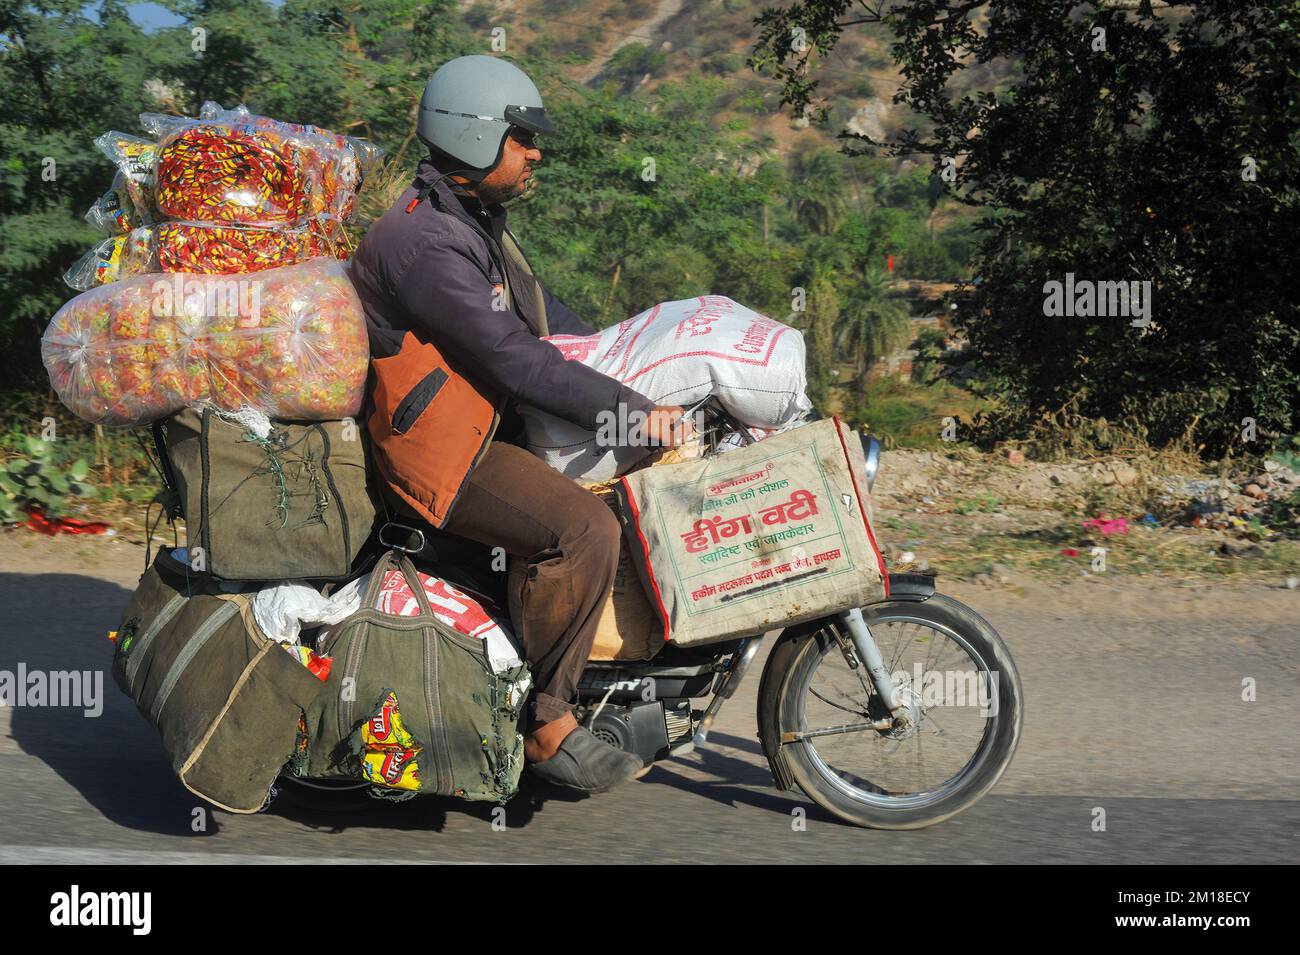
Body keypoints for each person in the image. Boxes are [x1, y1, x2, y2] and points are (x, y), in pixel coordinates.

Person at [348, 55, 687, 794]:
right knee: (583, 529)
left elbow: (545, 323)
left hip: (480, 425)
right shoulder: (427, 244)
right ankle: (549, 719)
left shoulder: (470, 219)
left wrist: (637, 365)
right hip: (442, 451)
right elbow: (513, 358)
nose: (536, 153)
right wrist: (631, 411)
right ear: (473, 136)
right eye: (522, 138)